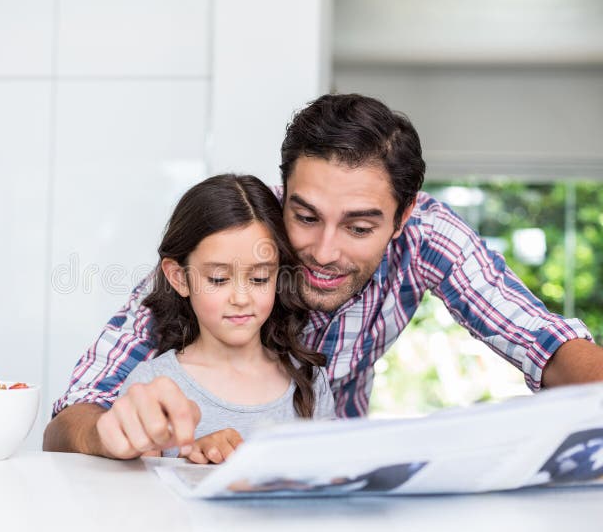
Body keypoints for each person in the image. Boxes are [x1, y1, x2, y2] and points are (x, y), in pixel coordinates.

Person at [43, 93, 603, 459]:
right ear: (285, 191)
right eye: (305, 217)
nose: (323, 251)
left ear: (402, 217)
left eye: (359, 227)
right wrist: (105, 433)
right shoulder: (240, 238)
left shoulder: (428, 235)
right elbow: (73, 414)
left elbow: (544, 341)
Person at [109, 174, 334, 462]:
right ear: (180, 278)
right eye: (218, 279)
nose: (241, 298)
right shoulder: (152, 386)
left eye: (259, 278)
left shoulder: (310, 382)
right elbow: (137, 496)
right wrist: (188, 462)